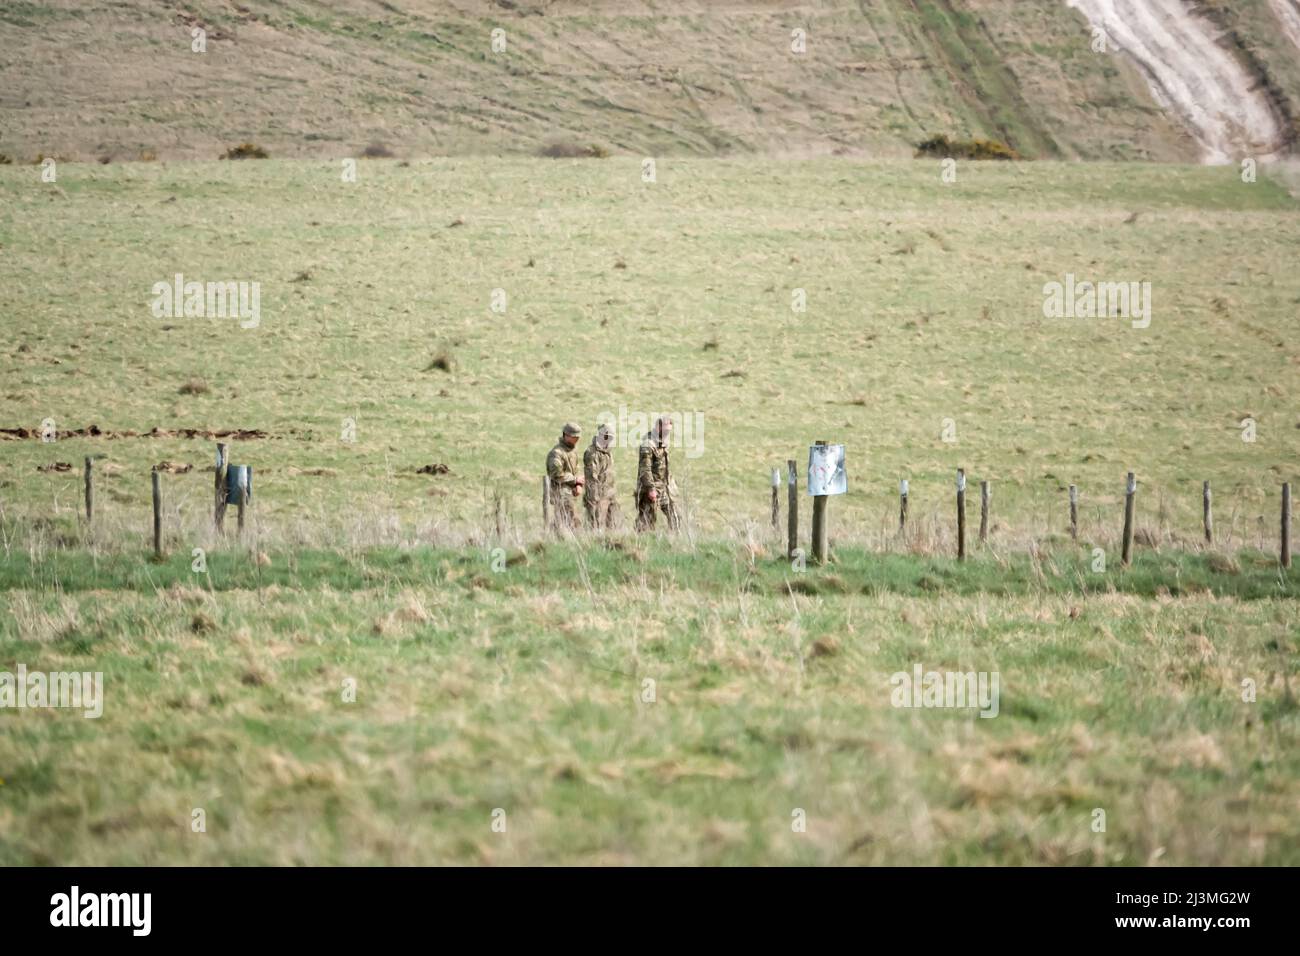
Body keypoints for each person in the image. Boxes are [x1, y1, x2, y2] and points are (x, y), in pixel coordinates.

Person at [635, 416, 680, 531]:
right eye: (665, 430)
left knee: (675, 517)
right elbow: (645, 469)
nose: (667, 433)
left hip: (664, 488)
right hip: (651, 489)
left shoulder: (663, 443)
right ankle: (639, 543)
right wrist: (650, 489)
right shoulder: (648, 445)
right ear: (658, 427)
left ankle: (675, 542)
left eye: (669, 431)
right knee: (647, 522)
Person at [546, 422, 584, 532]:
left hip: (570, 492)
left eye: (578, 437)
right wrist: (575, 480)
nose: (577, 439)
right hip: (560, 492)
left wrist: (578, 484)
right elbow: (557, 475)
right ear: (566, 435)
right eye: (574, 437)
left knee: (568, 521)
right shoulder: (556, 453)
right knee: (570, 521)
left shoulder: (573, 451)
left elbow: (575, 470)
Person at [583, 425, 621, 530]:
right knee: (596, 525)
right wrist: (594, 500)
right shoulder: (592, 453)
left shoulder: (608, 453)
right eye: (606, 437)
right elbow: (591, 478)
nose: (608, 440)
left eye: (610, 438)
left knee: (612, 524)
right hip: (597, 496)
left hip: (610, 495)